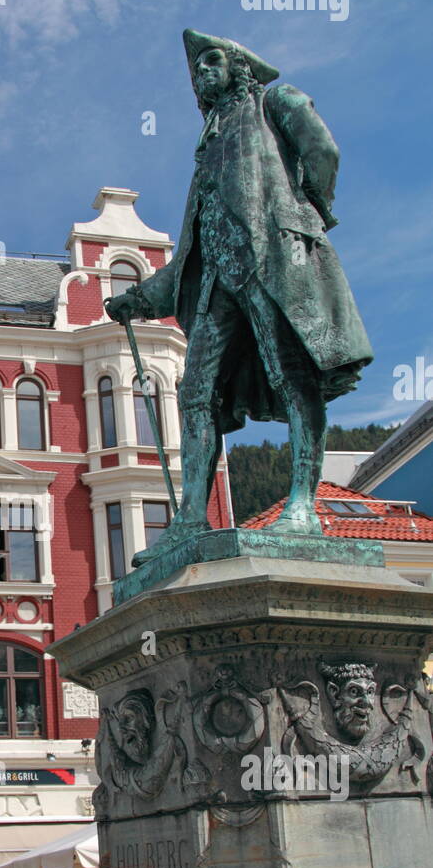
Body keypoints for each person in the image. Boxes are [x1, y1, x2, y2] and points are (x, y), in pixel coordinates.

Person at [106, 29, 373, 555]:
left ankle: (301, 506)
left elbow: (323, 149)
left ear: (239, 66)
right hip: (215, 286)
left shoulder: (275, 101)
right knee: (195, 394)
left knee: (294, 374)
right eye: (197, 69)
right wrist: (134, 301)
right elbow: (188, 254)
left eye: (212, 61)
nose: (203, 73)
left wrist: (306, 210)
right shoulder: (206, 150)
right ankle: (188, 523)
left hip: (274, 262)